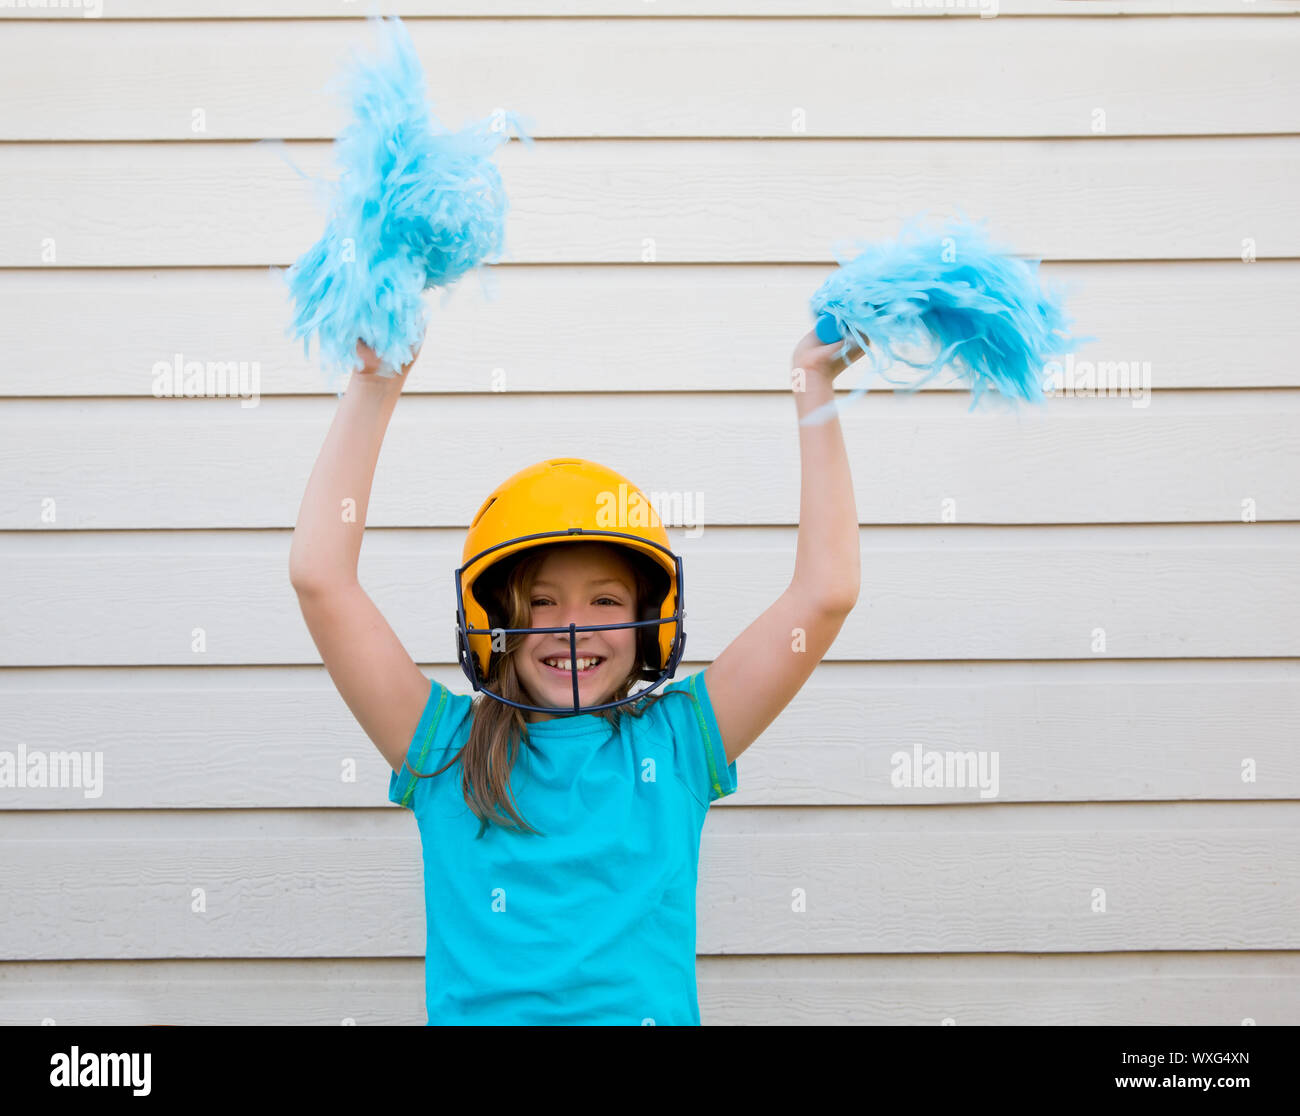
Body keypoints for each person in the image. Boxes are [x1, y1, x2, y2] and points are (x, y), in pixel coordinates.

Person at [288, 328, 863, 1024]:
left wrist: (814, 382)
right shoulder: (445, 750)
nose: (573, 626)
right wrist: (376, 383)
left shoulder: (677, 744)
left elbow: (825, 593)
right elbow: (321, 579)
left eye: (606, 600)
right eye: (540, 602)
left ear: (650, 620)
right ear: (492, 623)